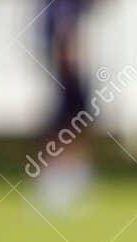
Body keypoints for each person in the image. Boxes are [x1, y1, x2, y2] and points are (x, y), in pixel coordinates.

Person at [34, 0, 99, 212]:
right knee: (65, 124)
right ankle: (54, 184)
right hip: (67, 66)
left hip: (74, 64)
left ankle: (75, 180)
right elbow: (62, 27)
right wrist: (68, 56)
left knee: (77, 123)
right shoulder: (61, 7)